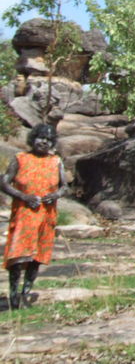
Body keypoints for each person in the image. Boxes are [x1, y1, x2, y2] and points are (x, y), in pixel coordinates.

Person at [1, 123, 67, 309]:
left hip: (46, 215)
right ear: (32, 139)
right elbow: (5, 182)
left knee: (36, 258)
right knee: (18, 256)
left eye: (48, 139)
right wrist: (24, 197)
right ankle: (13, 297)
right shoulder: (20, 159)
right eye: (40, 138)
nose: (43, 142)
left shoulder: (55, 161)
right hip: (23, 215)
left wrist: (55, 195)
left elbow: (64, 186)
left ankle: (26, 294)